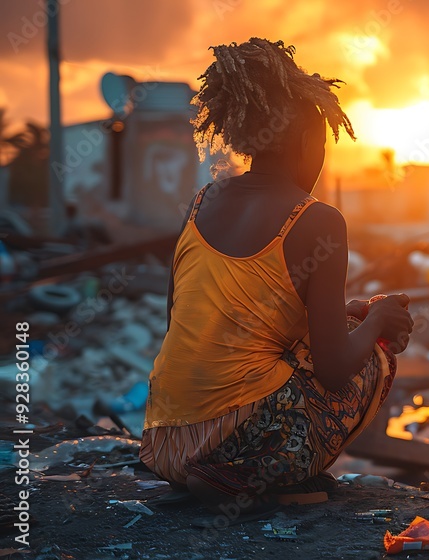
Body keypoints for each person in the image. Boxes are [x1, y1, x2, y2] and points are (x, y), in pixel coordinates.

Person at [138, 37, 413, 520]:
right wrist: (377, 321)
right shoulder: (318, 219)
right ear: (307, 141)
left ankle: (247, 467)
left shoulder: (203, 201)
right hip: (225, 444)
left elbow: (195, 324)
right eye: (324, 145)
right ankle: (255, 471)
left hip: (164, 440)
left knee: (315, 351)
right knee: (375, 360)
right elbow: (332, 369)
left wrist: (337, 315)